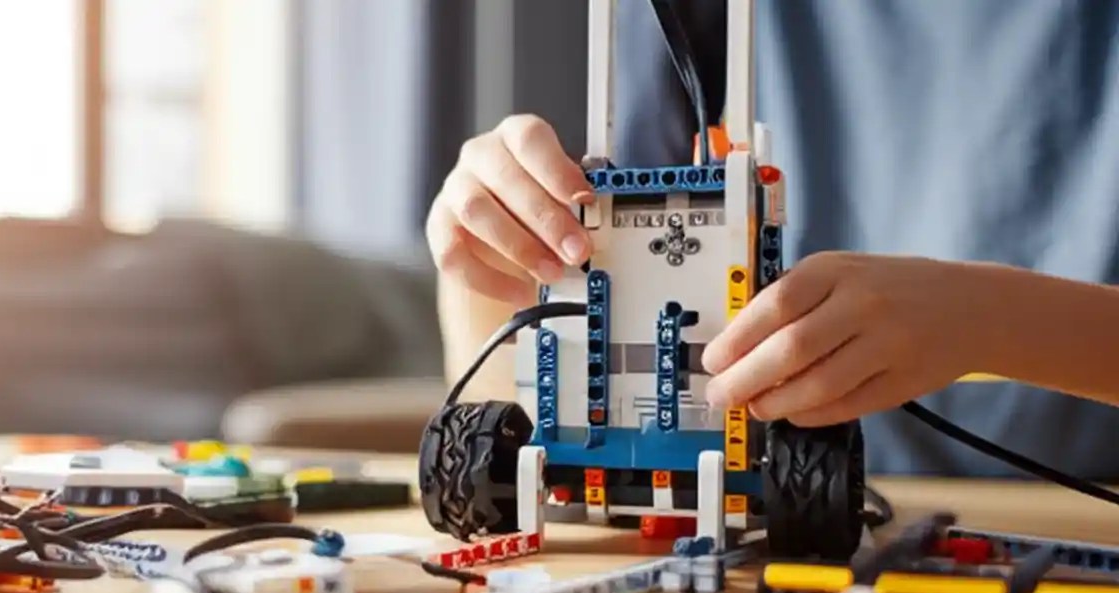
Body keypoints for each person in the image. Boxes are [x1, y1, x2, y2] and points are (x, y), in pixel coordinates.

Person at [427, 0, 1119, 479]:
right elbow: (606, 278)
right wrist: (497, 253)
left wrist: (993, 319)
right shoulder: (689, 19)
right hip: (804, 513)